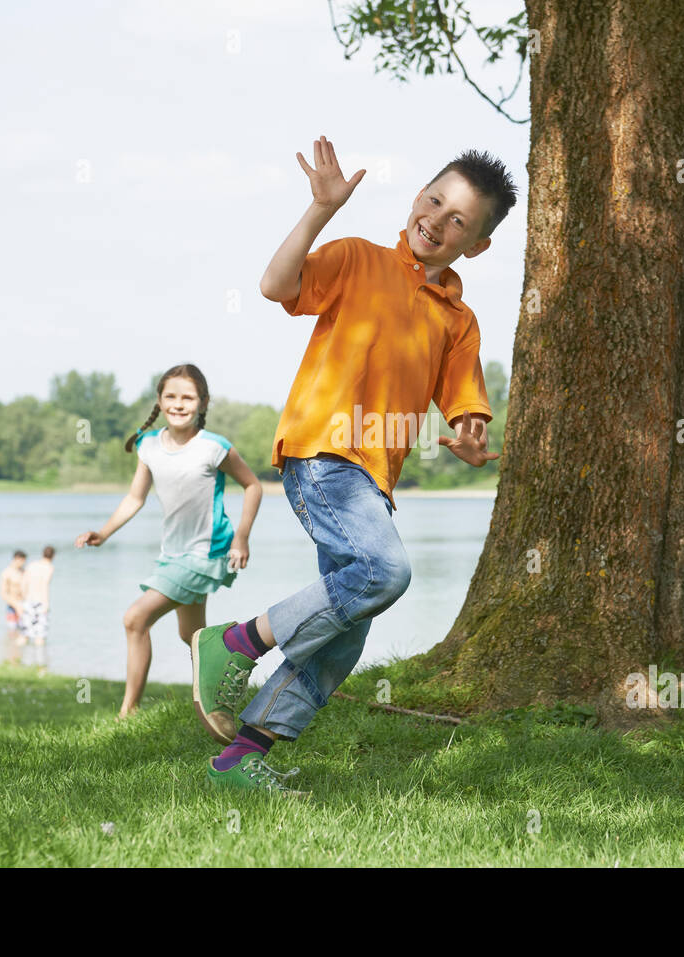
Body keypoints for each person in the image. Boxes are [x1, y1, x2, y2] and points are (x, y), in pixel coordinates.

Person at [190, 136, 514, 795]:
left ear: (475, 246)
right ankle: (236, 643)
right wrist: (320, 210)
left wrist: (472, 435)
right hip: (321, 454)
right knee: (383, 572)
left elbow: (464, 404)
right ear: (417, 196)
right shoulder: (358, 259)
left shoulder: (459, 320)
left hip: (374, 480)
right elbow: (275, 285)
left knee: (343, 635)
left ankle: (240, 758)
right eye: (435, 199)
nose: (438, 219)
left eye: (459, 220)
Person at [75, 364, 262, 719]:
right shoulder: (148, 446)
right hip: (172, 554)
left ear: (203, 403)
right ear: (159, 401)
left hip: (206, 552)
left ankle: (128, 712)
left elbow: (252, 485)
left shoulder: (214, 448)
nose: (179, 404)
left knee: (135, 619)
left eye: (188, 397)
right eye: (171, 396)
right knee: (192, 635)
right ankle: (223, 690)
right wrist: (104, 532)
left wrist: (242, 536)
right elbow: (134, 498)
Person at [20, 546, 56, 673]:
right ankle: (41, 667)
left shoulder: (32, 565)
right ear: (53, 556)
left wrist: (24, 599)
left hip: (28, 602)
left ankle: (17, 662)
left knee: (24, 634)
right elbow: (44, 585)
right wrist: (46, 604)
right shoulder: (49, 567)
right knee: (39, 637)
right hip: (40, 603)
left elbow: (24, 583)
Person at [0, 549, 27, 663]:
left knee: (24, 632)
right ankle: (12, 658)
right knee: (12, 632)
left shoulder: (23, 571)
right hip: (12, 606)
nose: (23, 563)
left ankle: (20, 656)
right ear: (16, 559)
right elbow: (3, 593)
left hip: (23, 604)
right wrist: (16, 606)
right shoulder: (6, 573)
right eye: (22, 561)